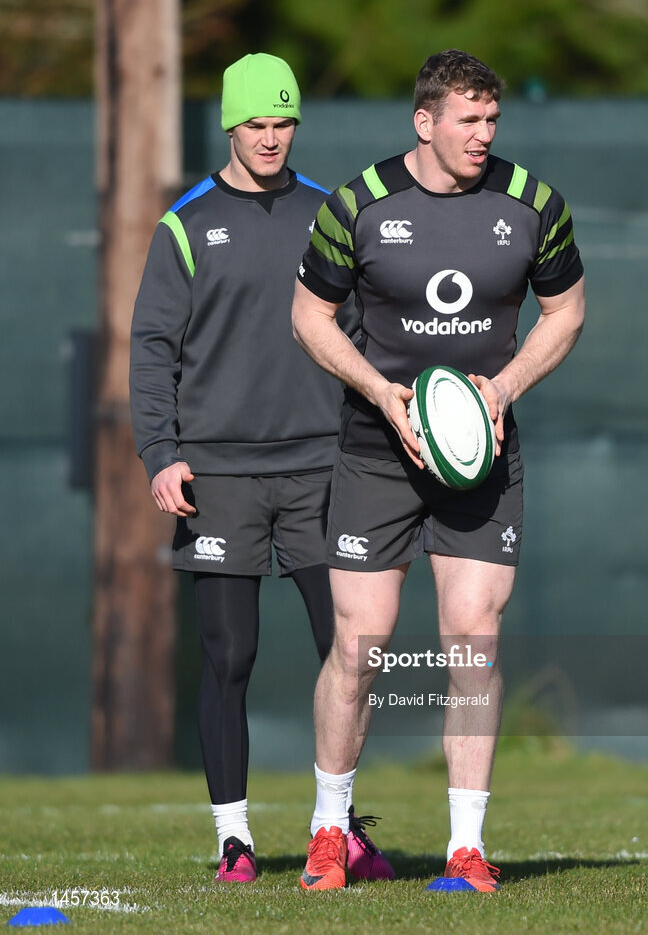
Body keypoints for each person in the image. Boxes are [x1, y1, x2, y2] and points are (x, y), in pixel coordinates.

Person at [292, 49, 585, 891]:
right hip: (376, 453)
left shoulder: (532, 203)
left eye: (492, 121)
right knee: (360, 645)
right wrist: (384, 394)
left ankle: (464, 846)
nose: (483, 136)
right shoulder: (358, 204)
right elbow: (308, 317)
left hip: (481, 458)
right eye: (468, 120)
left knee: (473, 640)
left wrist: (505, 387)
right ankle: (328, 832)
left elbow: (567, 311)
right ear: (424, 122)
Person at [129, 53, 393, 884]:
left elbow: (366, 334)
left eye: (284, 123)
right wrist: (162, 454)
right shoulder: (185, 224)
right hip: (220, 477)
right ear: (231, 127)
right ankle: (233, 841)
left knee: (349, 651)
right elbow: (152, 350)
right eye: (256, 124)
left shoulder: (329, 213)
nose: (271, 138)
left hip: (325, 466)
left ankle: (336, 827)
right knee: (230, 656)